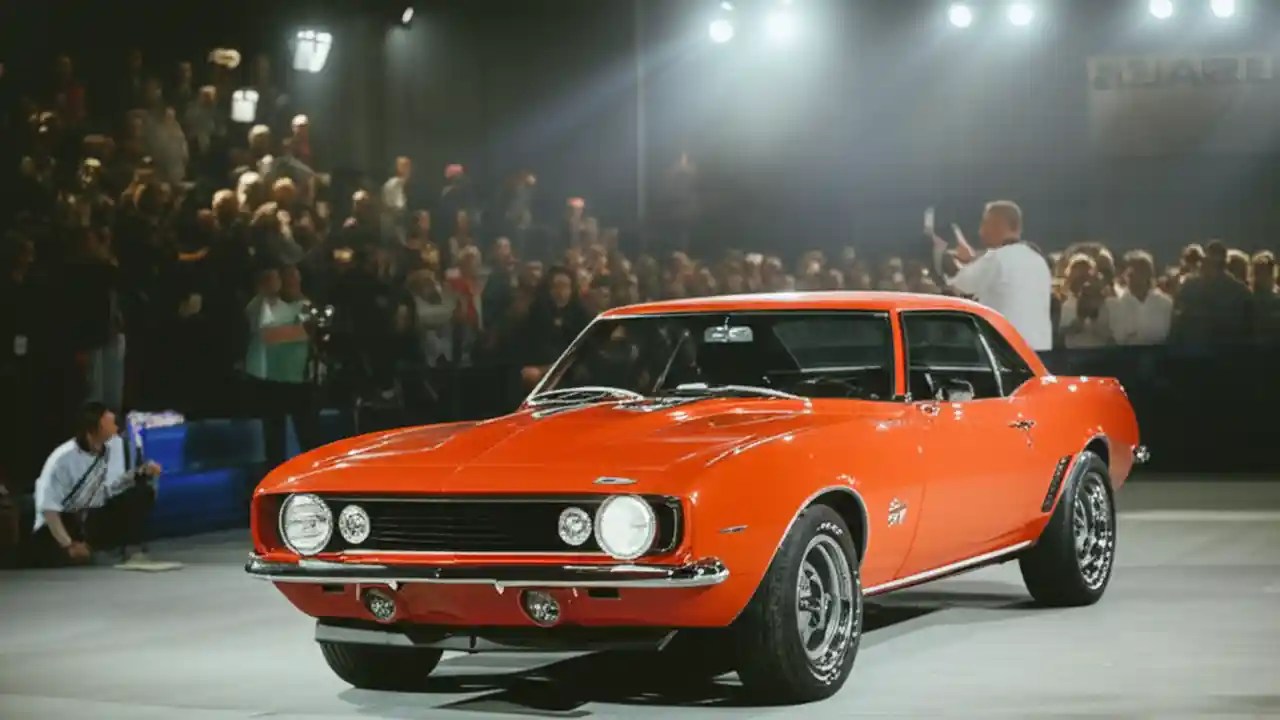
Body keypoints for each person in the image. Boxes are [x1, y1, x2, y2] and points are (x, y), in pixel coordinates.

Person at [29, 402, 162, 568]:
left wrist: (139, 473)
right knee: (60, 555)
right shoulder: (63, 459)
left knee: (141, 493)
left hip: (87, 517)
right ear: (96, 428)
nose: (116, 428)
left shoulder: (107, 450)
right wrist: (68, 544)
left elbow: (108, 489)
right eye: (111, 424)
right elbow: (48, 508)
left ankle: (112, 548)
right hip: (59, 526)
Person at [933, 200, 1053, 351]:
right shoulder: (1037, 260)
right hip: (1040, 354)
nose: (980, 231)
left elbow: (953, 289)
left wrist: (947, 259)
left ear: (998, 225)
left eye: (984, 224)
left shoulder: (996, 259)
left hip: (1008, 355)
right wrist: (972, 260)